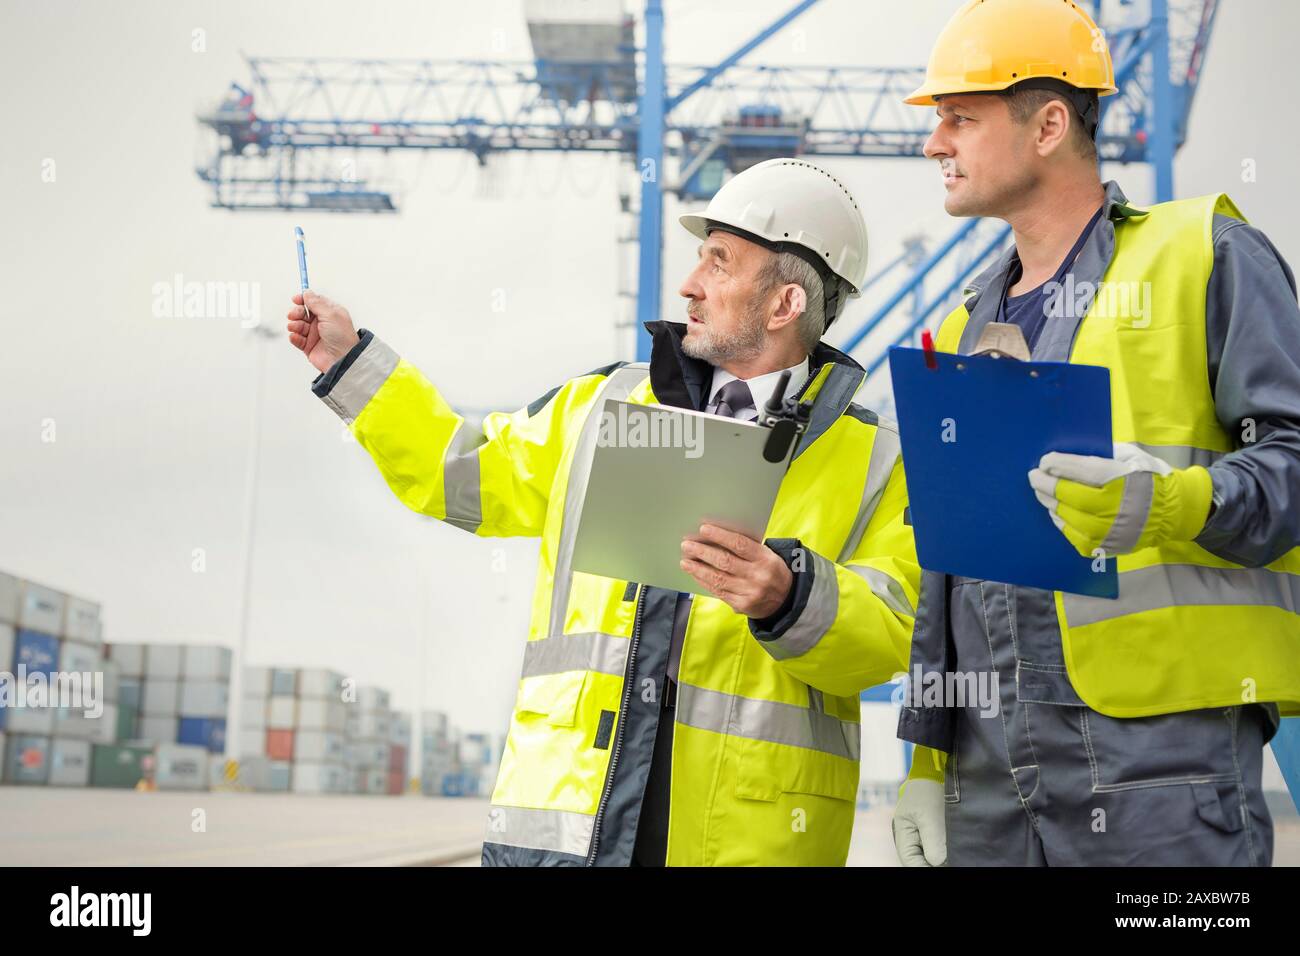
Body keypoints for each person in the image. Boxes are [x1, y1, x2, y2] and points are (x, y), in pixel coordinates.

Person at [286, 158, 921, 866]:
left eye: (719, 262)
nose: (689, 284)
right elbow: (460, 473)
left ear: (784, 306)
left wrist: (789, 595)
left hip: (746, 843)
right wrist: (351, 364)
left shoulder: (875, 461)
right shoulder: (599, 410)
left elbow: (894, 631)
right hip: (564, 834)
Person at [891, 0, 1300, 867]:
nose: (935, 144)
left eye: (958, 118)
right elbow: (950, 559)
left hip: (1162, 757)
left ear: (1047, 125)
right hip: (991, 769)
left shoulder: (1206, 255)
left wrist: (1173, 503)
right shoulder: (973, 318)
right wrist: (927, 750)